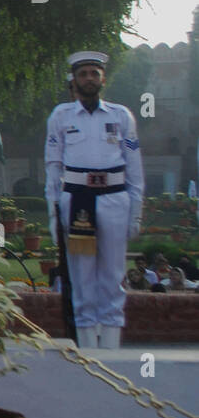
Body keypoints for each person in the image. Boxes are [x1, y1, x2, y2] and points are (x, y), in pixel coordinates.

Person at [44, 52, 143, 348]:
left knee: (112, 275)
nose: (89, 78)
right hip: (78, 202)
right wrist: (53, 212)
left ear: (103, 79)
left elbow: (134, 167)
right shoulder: (61, 116)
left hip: (114, 198)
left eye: (94, 73)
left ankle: (111, 347)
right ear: (73, 79)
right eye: (83, 73)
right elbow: (53, 166)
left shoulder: (121, 116)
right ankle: (87, 347)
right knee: (82, 275)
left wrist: (136, 211)